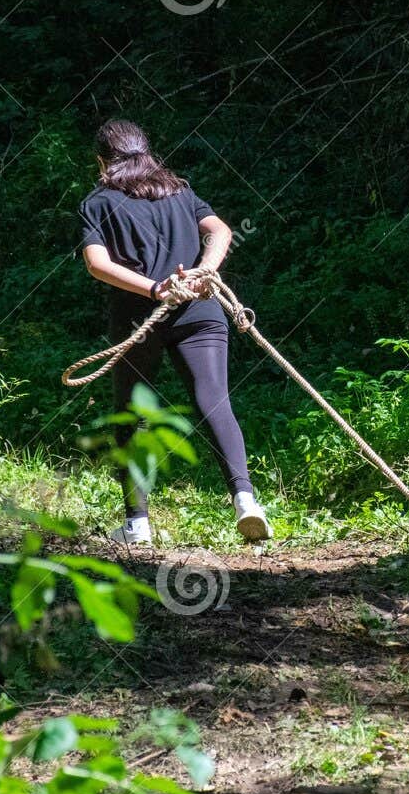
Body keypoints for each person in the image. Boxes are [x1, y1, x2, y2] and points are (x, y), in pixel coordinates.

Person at [79, 118, 270, 545]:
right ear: (146, 152)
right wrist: (205, 271)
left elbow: (96, 263)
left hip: (136, 319)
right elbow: (220, 230)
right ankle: (246, 501)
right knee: (213, 400)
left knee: (133, 413)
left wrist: (153, 288)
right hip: (200, 310)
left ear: (102, 161)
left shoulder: (98, 202)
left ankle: (137, 524)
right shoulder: (179, 191)